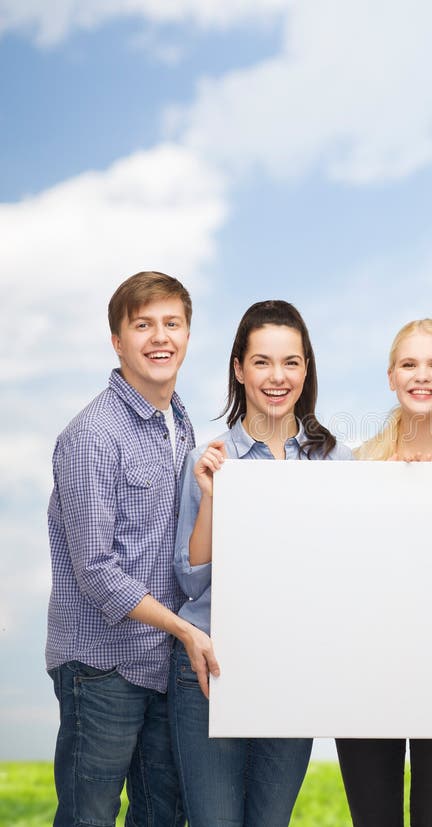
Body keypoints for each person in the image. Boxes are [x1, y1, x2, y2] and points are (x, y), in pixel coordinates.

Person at [169, 299, 352, 827]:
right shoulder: (209, 459)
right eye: (263, 362)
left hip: (292, 669)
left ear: (306, 369)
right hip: (210, 667)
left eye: (291, 362)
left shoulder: (336, 462)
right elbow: (190, 578)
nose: (278, 376)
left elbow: (349, 572)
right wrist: (210, 496)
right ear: (239, 369)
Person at [46, 271, 218, 827]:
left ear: (188, 335)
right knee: (88, 818)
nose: (159, 337)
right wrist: (188, 629)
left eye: (172, 324)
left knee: (161, 817)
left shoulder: (181, 423)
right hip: (101, 666)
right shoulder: (92, 435)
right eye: (143, 325)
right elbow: (96, 571)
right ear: (117, 340)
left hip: (162, 666)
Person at [335, 318, 432, 827]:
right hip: (368, 674)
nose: (421, 376)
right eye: (409, 364)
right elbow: (343, 579)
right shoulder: (355, 467)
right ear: (390, 376)